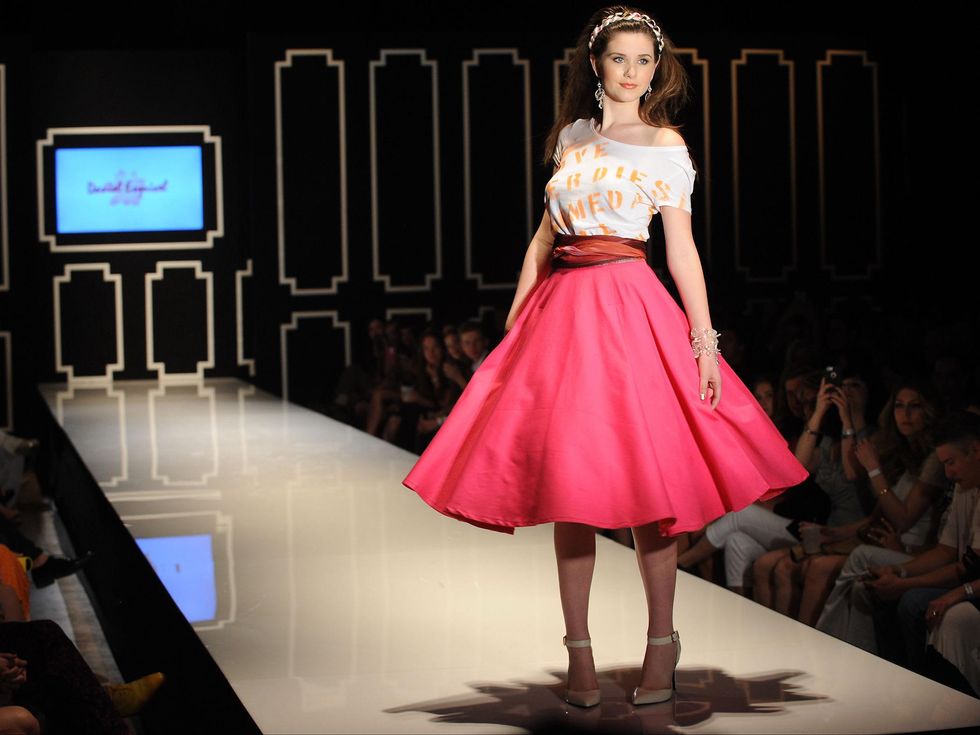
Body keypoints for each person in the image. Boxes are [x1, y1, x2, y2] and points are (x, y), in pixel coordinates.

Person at [402, 6, 809, 708]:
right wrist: (516, 320)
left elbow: (682, 250)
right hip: (562, 312)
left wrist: (704, 342)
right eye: (620, 58)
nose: (632, 72)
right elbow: (543, 237)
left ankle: (661, 643)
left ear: (657, 68)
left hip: (629, 308)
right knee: (572, 491)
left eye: (644, 60)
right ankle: (579, 657)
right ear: (596, 63)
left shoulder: (665, 144)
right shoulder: (572, 136)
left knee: (650, 493)